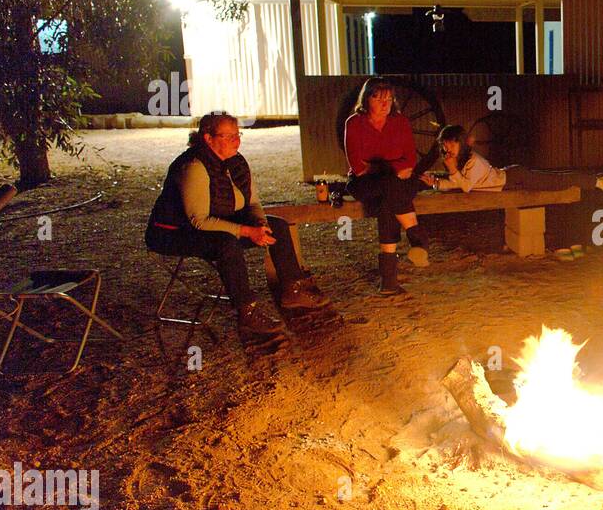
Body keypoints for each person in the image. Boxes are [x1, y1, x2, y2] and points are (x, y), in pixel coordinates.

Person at [146, 111, 326, 338]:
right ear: (208, 138)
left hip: (217, 220)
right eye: (228, 136)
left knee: (276, 225)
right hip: (174, 232)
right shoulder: (193, 166)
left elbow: (252, 202)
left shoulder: (236, 162)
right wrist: (247, 231)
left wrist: (259, 225)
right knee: (226, 244)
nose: (236, 140)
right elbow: (199, 221)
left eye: (237, 134)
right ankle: (247, 313)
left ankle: (292, 289)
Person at [343, 78, 436, 296]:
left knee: (388, 197)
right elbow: (357, 167)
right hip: (365, 184)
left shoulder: (400, 121)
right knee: (391, 186)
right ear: (366, 99)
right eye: (378, 98)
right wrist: (392, 167)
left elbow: (410, 160)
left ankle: (389, 283)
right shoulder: (354, 123)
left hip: (393, 184)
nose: (385, 103)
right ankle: (416, 236)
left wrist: (378, 166)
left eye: (389, 98)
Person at [427, 124, 603, 203]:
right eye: (445, 145)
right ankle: (596, 179)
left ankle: (598, 181)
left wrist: (451, 170)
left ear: (460, 141)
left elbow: (466, 187)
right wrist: (435, 183)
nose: (448, 148)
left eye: (451, 143)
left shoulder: (473, 161)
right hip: (511, 179)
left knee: (557, 181)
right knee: (554, 178)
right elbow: (457, 183)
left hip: (515, 179)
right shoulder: (461, 163)